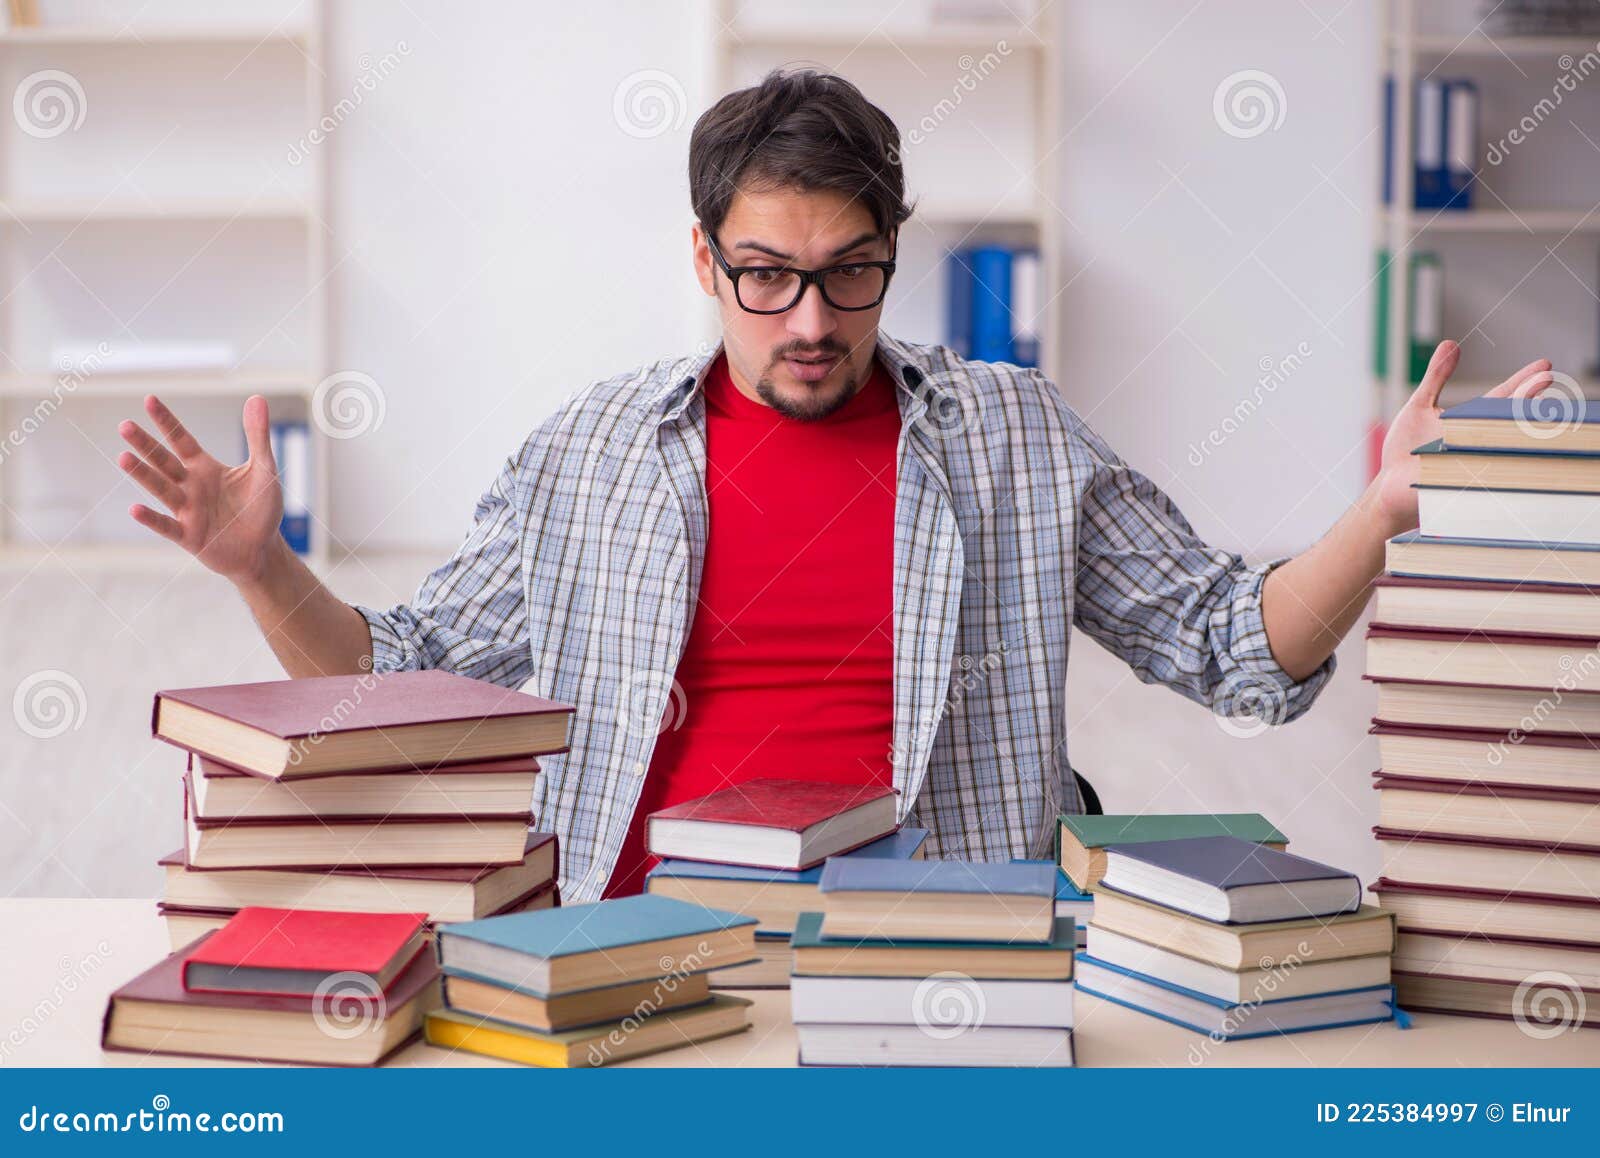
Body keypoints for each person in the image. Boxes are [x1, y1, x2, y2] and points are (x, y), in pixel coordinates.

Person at [114, 68, 1555, 902]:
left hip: (943, 945)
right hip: (642, 952)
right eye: (767, 275)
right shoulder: (593, 451)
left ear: (893, 251)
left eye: (850, 272)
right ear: (704, 263)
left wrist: (1378, 514)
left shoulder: (1012, 434)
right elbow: (399, 679)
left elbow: (1237, 650)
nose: (811, 319)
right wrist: (263, 566)